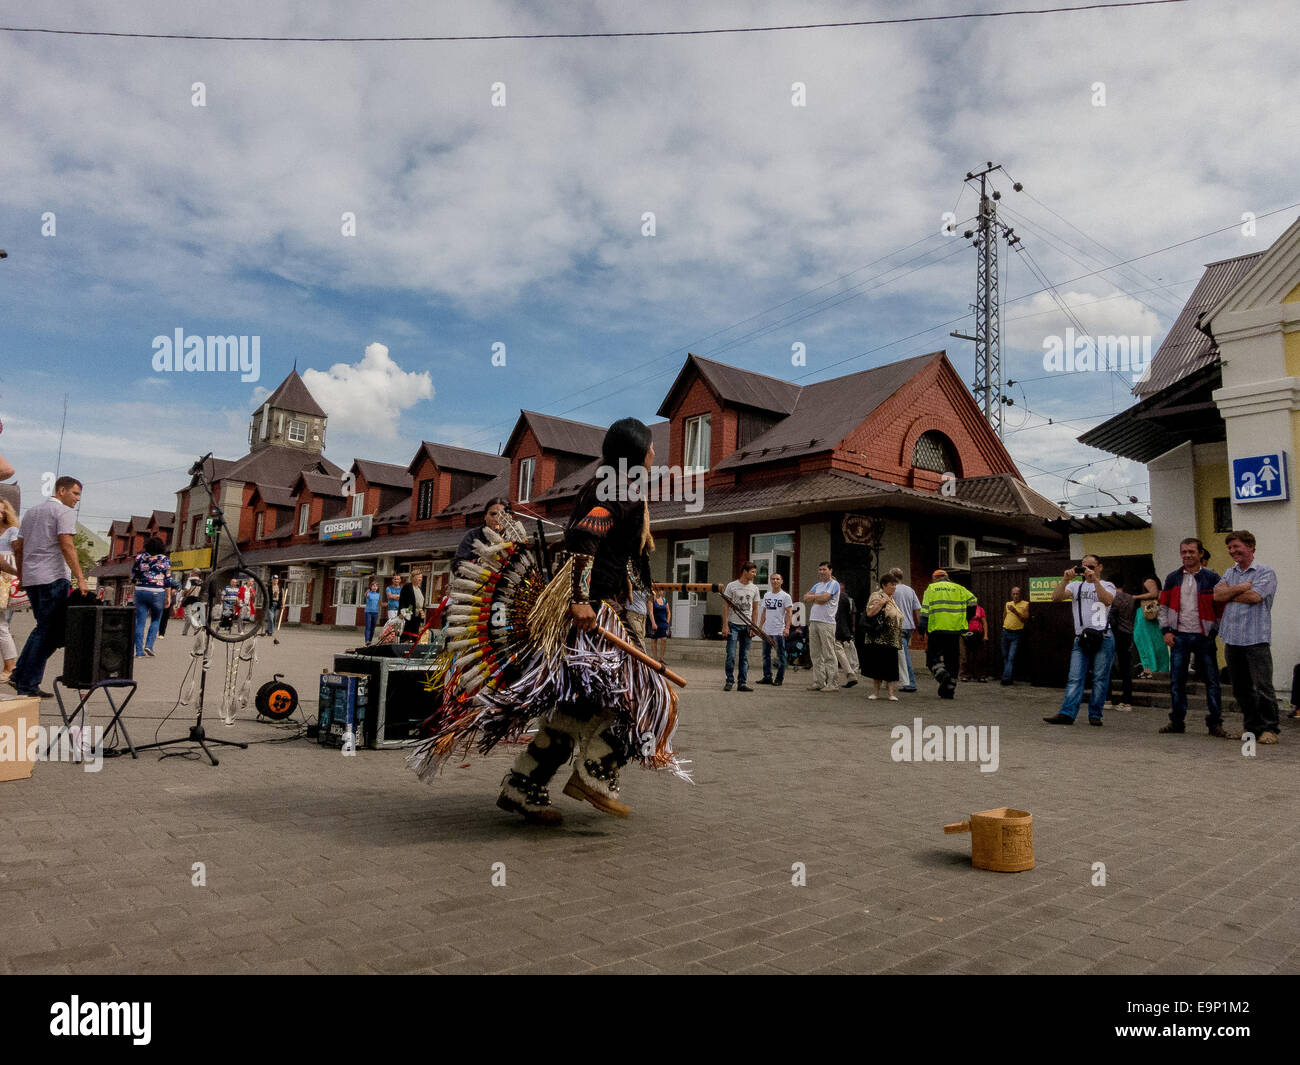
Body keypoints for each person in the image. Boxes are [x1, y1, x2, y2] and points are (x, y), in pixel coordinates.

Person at [491, 417, 674, 822]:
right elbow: (582, 542)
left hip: (598, 607)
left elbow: (607, 548)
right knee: (648, 695)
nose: (655, 454)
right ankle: (595, 772)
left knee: (581, 703)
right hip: (591, 612)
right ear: (636, 452)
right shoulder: (615, 487)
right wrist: (579, 600)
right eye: (650, 447)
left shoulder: (616, 485)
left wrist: (636, 583)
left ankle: (523, 784)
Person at [8, 476, 87, 697]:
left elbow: (19, 547)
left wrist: (23, 576)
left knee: (43, 629)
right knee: (49, 633)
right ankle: (28, 683)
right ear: (61, 490)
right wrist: (80, 577)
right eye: (75, 493)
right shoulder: (63, 512)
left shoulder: (31, 512)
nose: (77, 500)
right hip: (53, 577)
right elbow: (67, 544)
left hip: (33, 579)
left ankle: (19, 675)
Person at [1214, 530, 1281, 745]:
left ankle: (1270, 729)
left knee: (1263, 686)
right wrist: (1241, 587)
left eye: (1237, 546)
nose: (1233, 551)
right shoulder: (1230, 572)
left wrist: (1230, 593)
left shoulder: (1265, 572)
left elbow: (1254, 597)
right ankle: (1251, 728)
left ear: (1250, 546)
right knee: (1240, 688)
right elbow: (1216, 596)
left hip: (1255, 638)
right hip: (1232, 638)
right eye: (1230, 548)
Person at [1156, 538, 1227, 737]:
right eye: (1184, 552)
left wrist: (1214, 631)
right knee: (1177, 682)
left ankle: (1215, 724)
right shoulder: (1172, 578)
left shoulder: (1212, 578)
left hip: (1204, 636)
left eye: (1191, 551)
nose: (1187, 555)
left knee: (1212, 682)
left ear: (1200, 553)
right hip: (1179, 637)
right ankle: (1177, 722)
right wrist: (1166, 631)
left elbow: (1220, 607)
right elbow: (1163, 606)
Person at [1043, 555, 1116, 726]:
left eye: (1090, 566)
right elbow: (1056, 597)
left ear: (1100, 567)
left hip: (1103, 636)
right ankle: (1067, 714)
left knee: (1100, 678)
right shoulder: (1075, 586)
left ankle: (1095, 715)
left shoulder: (1107, 585)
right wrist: (1065, 579)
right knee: (1075, 677)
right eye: (1083, 567)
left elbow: (1107, 600)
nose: (1086, 570)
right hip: (1081, 637)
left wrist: (1095, 581)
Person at [919, 568, 975, 699]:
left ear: (935, 578)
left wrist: (922, 627)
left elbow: (925, 609)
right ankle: (949, 690)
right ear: (947, 577)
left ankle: (942, 674)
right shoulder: (959, 588)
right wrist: (966, 618)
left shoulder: (931, 589)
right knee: (952, 659)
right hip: (954, 630)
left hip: (936, 629)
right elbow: (973, 601)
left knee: (932, 658)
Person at [1104, 579, 1154, 712]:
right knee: (1126, 668)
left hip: (1113, 633)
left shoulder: (1110, 597)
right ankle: (1127, 701)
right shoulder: (1130, 598)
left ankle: (1107, 699)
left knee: (1106, 666)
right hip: (1127, 633)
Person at [861, 575, 903, 701]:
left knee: (891, 666)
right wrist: (882, 603)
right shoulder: (877, 596)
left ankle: (891, 693)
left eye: (895, 585)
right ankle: (876, 692)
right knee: (878, 665)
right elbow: (870, 613)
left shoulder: (891, 598)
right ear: (884, 585)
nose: (895, 587)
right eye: (892, 585)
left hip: (891, 639)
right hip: (879, 638)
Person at [131, 535, 172, 657]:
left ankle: (138, 651)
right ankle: (149, 646)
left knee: (140, 622)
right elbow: (168, 579)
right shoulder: (165, 560)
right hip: (157, 591)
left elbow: (134, 575)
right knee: (156, 619)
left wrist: (134, 591)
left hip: (140, 590)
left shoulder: (139, 557)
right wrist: (168, 596)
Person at [722, 562, 760, 691]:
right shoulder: (731, 586)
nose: (755, 574)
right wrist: (725, 625)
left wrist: (754, 626)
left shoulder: (754, 588)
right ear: (745, 571)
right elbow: (726, 607)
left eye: (755, 572)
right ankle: (729, 681)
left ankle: (742, 683)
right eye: (753, 572)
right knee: (731, 654)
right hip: (733, 625)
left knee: (744, 656)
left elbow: (755, 609)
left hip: (747, 626)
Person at [803, 561, 841, 692]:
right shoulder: (817, 585)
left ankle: (833, 683)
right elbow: (805, 597)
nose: (822, 572)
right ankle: (819, 681)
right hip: (814, 621)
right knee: (815, 653)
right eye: (820, 570)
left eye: (824, 569)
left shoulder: (834, 584)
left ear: (830, 570)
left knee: (829, 653)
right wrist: (816, 597)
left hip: (827, 622)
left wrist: (813, 598)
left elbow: (825, 598)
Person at [454, 498, 511, 572]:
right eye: (493, 514)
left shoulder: (515, 538)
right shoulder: (473, 536)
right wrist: (480, 562)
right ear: (485, 516)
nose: (497, 519)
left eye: (502, 515)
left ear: (509, 517)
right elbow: (457, 564)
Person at [887, 568, 921, 692]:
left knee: (902, 656)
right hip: (909, 626)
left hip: (897, 625)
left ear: (892, 576)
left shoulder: (891, 590)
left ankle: (910, 682)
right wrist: (920, 626)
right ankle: (890, 680)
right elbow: (917, 609)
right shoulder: (910, 590)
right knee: (897, 654)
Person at [757, 572, 792, 686]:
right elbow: (764, 612)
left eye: (777, 579)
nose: (775, 581)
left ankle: (779, 678)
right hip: (767, 631)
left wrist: (787, 628)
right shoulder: (767, 595)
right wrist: (760, 627)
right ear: (770, 581)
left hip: (779, 631)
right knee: (766, 655)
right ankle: (767, 677)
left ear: (781, 581)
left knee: (781, 655)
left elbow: (789, 613)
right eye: (773, 579)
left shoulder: (785, 596)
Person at [1132, 574, 1169, 677]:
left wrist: (1135, 597)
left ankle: (1151, 669)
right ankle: (1157, 669)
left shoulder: (1147, 580)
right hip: (1150, 616)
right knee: (1155, 643)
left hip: (1146, 616)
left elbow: (1154, 593)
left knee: (1146, 643)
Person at [0, 499, 19, 682]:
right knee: (2, 625)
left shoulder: (12, 531)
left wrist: (19, 575)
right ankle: (10, 667)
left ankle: (10, 667)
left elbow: (18, 553)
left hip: (5, 580)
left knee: (2, 624)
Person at [1000, 587, 1029, 686]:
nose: (1015, 596)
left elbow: (1025, 620)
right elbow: (1004, 616)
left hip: (1016, 634)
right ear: (1011, 595)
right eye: (1014, 594)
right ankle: (1009, 677)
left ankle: (1005, 679)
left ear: (1020, 594)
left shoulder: (1025, 604)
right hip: (1006, 632)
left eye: (1017, 594)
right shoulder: (1008, 604)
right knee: (1005, 656)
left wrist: (1015, 612)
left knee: (1011, 657)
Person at [833, 585, 859, 688]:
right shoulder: (846, 598)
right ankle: (850, 674)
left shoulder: (831, 596)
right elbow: (850, 614)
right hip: (842, 628)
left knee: (832, 653)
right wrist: (849, 628)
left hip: (832, 627)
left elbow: (851, 614)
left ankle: (833, 679)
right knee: (838, 650)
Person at [961, 602, 988, 682]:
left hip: (977, 635)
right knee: (964, 656)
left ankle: (980, 675)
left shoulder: (980, 609)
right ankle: (965, 675)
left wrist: (985, 635)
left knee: (979, 656)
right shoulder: (963, 609)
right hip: (965, 635)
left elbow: (984, 622)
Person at [400, 571, 425, 640]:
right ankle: (403, 644)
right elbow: (403, 600)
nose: (420, 579)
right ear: (413, 578)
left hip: (418, 612)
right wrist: (403, 612)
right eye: (418, 577)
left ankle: (413, 645)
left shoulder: (419, 588)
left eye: (421, 577)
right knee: (407, 629)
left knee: (415, 631)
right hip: (409, 610)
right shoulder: (407, 586)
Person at [649, 589, 671, 664]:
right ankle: (655, 658)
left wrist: (667, 622)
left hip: (663, 622)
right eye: (659, 590)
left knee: (664, 639)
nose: (661, 592)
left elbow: (668, 612)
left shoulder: (664, 600)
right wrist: (653, 623)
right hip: (655, 622)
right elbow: (651, 612)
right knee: (654, 640)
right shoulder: (652, 600)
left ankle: (662, 657)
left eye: (662, 590)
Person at [363, 578, 381, 643]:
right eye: (373, 586)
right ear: (371, 587)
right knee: (368, 626)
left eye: (376, 586)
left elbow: (379, 603)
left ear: (377, 587)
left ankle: (370, 640)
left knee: (373, 628)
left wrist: (384, 604)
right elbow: (365, 595)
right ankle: (367, 640)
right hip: (368, 612)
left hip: (375, 612)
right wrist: (367, 592)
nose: (375, 587)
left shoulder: (378, 595)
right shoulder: (368, 593)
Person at [265, 574, 282, 641]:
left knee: (274, 619)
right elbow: (266, 596)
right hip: (270, 604)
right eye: (274, 579)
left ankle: (268, 629)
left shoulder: (279, 587)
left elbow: (282, 596)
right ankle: (271, 631)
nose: (275, 581)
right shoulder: (269, 587)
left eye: (276, 580)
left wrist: (282, 604)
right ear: (272, 580)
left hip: (277, 604)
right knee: (271, 618)